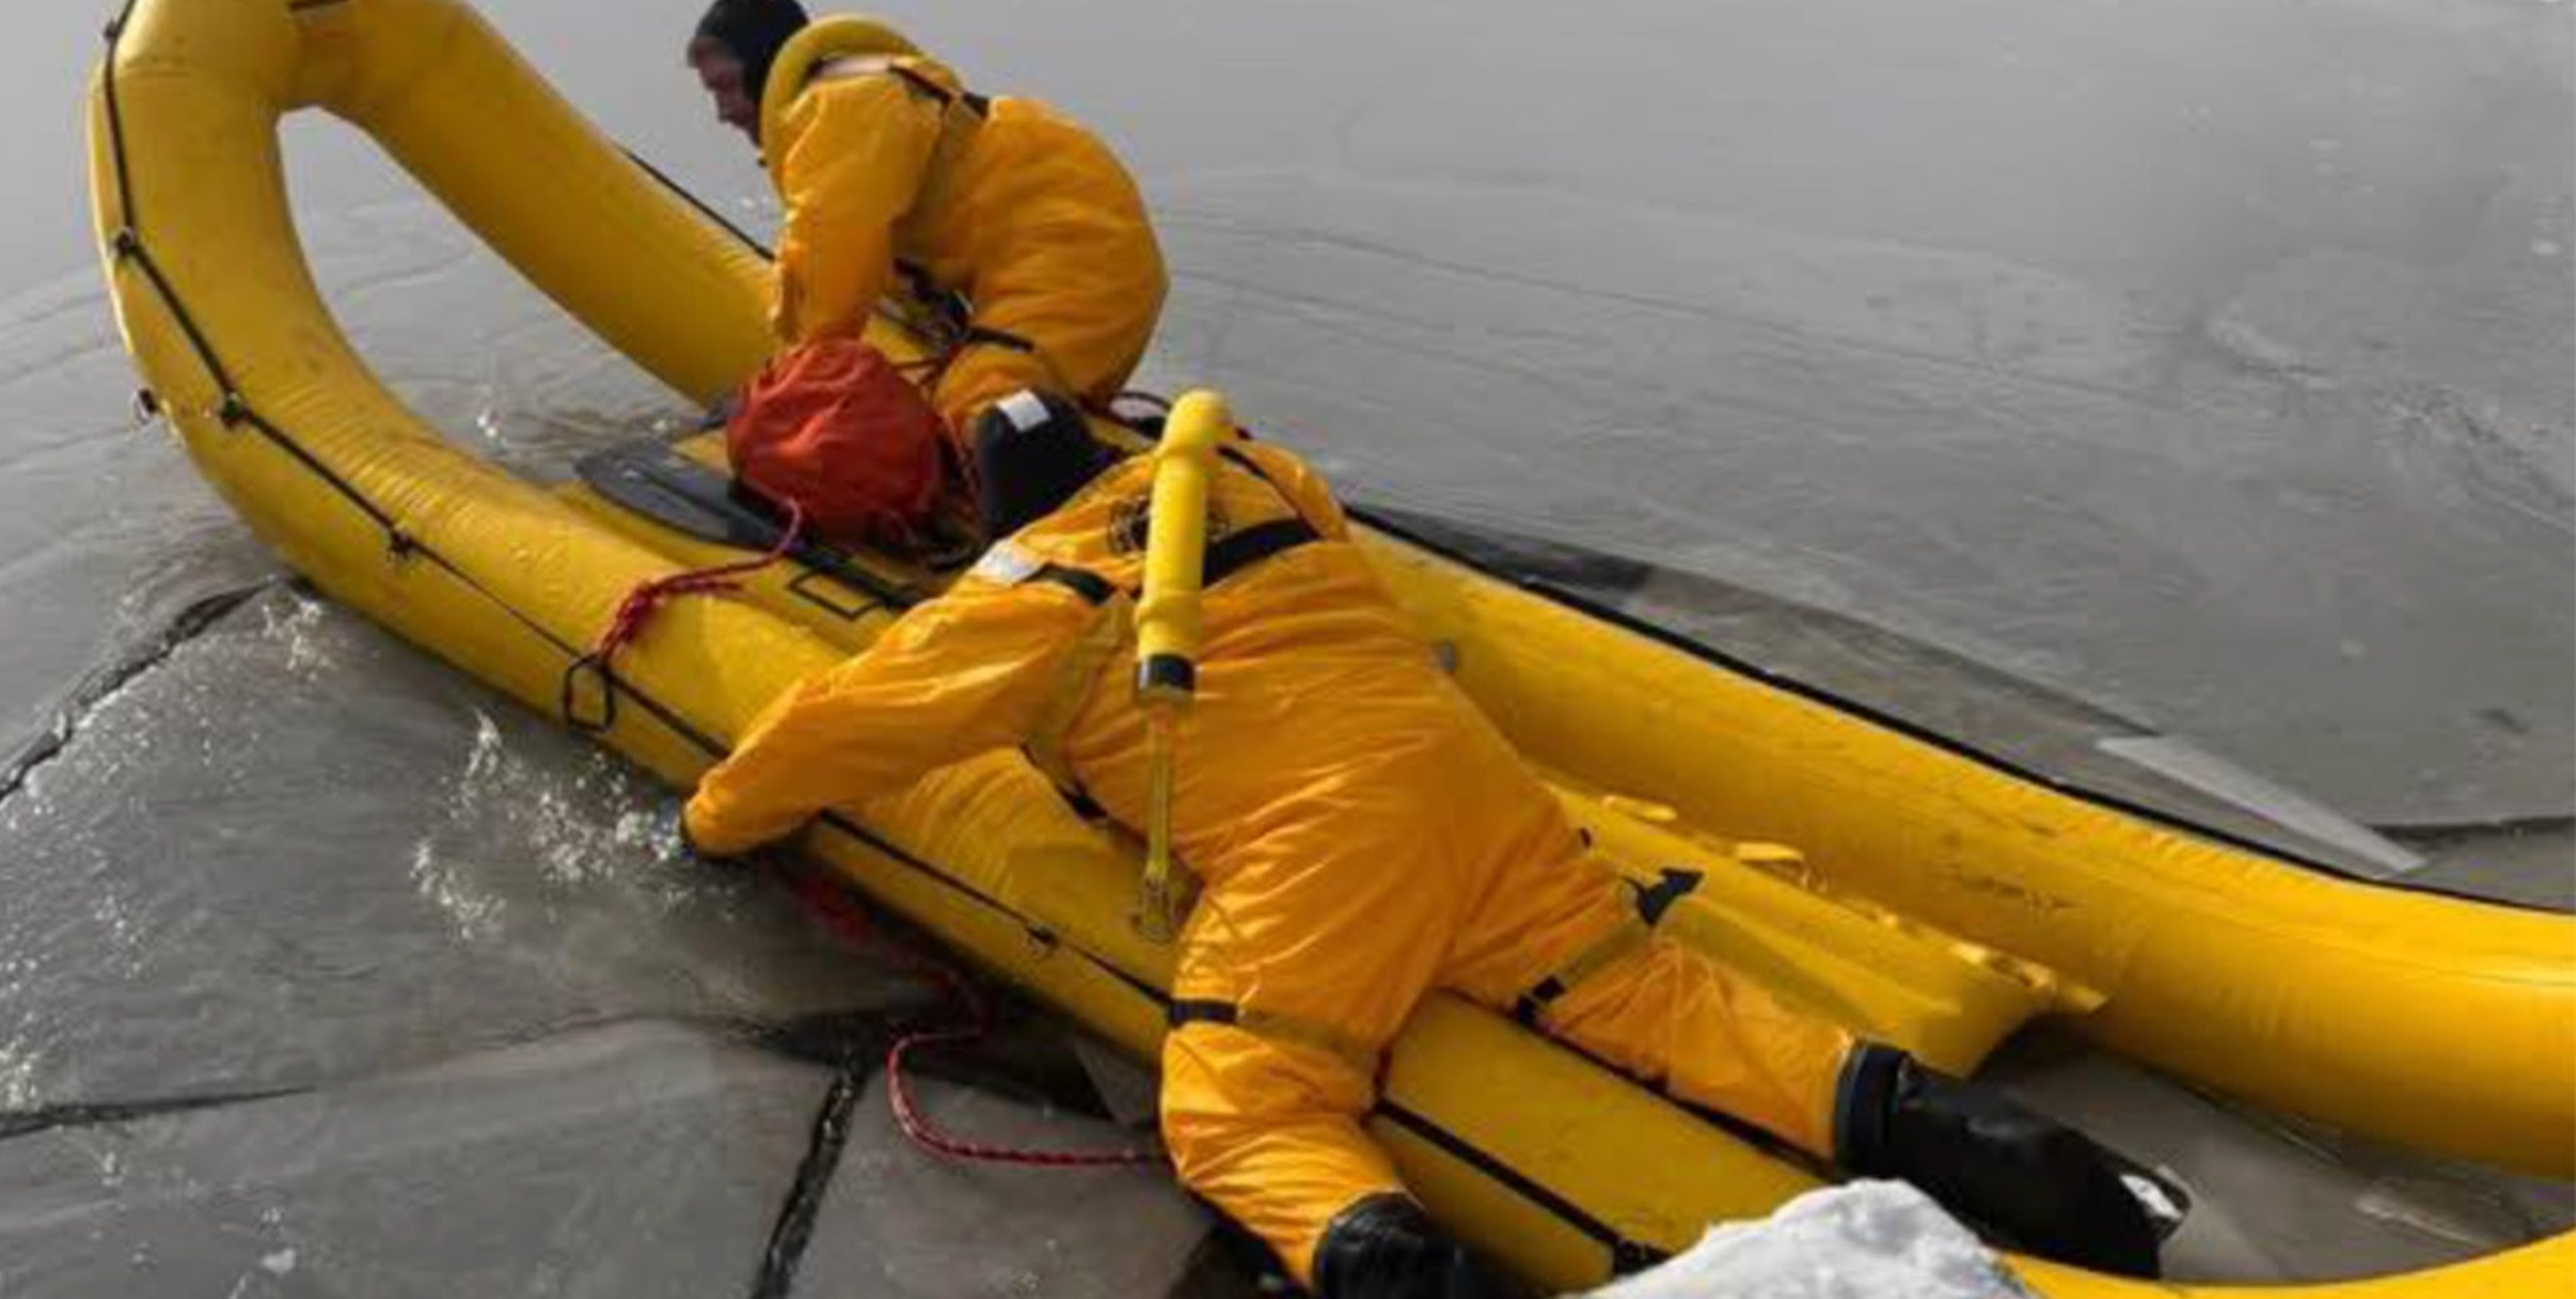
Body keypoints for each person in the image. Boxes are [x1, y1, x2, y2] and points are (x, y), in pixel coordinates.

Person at [676, 395, 2163, 1298]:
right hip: (1482, 795)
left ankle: (1412, 1277)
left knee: (1242, 1109)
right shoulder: (1239, 487)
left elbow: (841, 725)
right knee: (1666, 1003)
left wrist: (715, 818)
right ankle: (2041, 1168)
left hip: (1326, 849)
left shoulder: (1022, 595)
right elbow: (1298, 489)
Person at [688, 0, 1169, 508]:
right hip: (1073, 237)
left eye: (727, 87)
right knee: (990, 397)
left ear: (764, 64)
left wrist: (788, 397)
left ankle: (1078, 541)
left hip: (1076, 243)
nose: (723, 112)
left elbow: (833, 269)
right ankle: (1081, 470)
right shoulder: (856, 96)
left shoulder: (837, 109)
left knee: (982, 399)